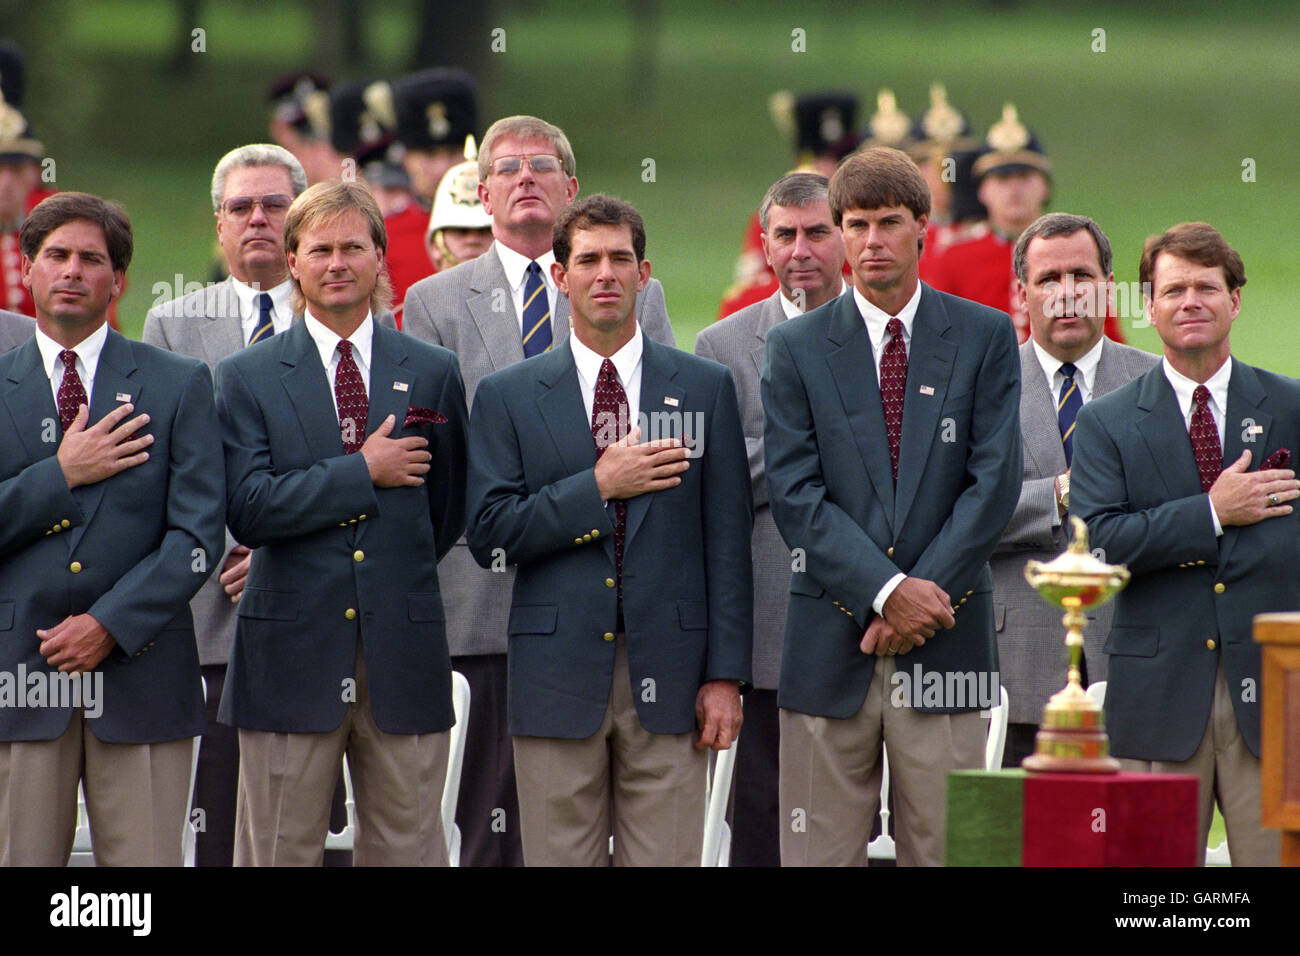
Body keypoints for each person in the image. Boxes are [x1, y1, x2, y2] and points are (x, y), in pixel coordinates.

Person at [401, 114, 675, 867]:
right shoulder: (433, 302)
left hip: (608, 597)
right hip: (481, 597)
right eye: (509, 167)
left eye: (542, 165)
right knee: (488, 817)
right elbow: (441, 456)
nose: (526, 177)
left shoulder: (634, 292)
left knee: (595, 827)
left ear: (571, 188)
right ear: (483, 192)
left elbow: (659, 442)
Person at [466, 194, 751, 865]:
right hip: (555, 677)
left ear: (644, 273)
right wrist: (595, 487)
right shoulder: (508, 395)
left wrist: (725, 677)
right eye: (587, 259)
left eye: (620, 259)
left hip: (676, 682)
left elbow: (728, 542)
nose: (605, 274)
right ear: (559, 276)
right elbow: (490, 533)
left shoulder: (706, 388)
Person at [762, 146, 1021, 866]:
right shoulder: (793, 349)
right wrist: (884, 593)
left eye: (888, 222)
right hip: (828, 646)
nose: (871, 241)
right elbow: (796, 495)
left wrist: (919, 599)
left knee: (953, 854)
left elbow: (993, 482)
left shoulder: (985, 335)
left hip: (950, 643)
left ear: (923, 229)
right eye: (855, 224)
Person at [214, 180, 468, 866]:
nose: (336, 262)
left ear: (381, 258)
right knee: (277, 851)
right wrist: (363, 473)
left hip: (403, 654)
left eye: (353, 247)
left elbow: (445, 510)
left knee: (410, 849)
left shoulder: (435, 371)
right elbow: (249, 508)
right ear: (292, 261)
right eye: (319, 249)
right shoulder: (247, 377)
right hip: (288, 656)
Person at [0, 192, 225, 865]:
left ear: (118, 280)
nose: (71, 270)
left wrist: (108, 626)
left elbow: (196, 539)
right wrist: (60, 473)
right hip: (17, 679)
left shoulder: (180, 384)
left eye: (90, 259)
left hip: (143, 679)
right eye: (55, 256)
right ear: (30, 270)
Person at [1071, 222, 1298, 866]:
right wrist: (1211, 512)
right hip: (1158, 696)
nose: (1190, 301)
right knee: (1156, 892)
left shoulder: (1292, 407)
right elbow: (1099, 546)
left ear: (1236, 300)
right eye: (1173, 290)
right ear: (1149, 307)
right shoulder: (1106, 422)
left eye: (1206, 286)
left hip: (1275, 697)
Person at [142, 143, 309, 866]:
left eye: (275, 205)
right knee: (215, 818)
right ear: (219, 225)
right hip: (211, 612)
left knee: (310, 824)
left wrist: (276, 549)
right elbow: (162, 474)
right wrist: (228, 552)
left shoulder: (346, 315)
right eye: (241, 207)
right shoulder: (174, 326)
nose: (259, 220)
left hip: (316, 607)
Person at [694, 171, 845, 866]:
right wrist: (814, 447)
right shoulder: (722, 349)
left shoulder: (882, 338)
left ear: (843, 236)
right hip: (768, 633)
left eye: (817, 231)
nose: (801, 249)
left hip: (876, 622)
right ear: (765, 244)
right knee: (761, 828)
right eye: (785, 235)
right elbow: (712, 482)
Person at [989, 213, 1157, 768]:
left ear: (1108, 286)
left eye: (1081, 277)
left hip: (1137, 660)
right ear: (1022, 294)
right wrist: (1063, 492)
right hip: (1017, 670)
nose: (1067, 295)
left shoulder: (1158, 383)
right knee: (1017, 847)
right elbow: (958, 511)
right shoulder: (981, 390)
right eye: (1048, 280)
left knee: (1130, 849)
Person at [717, 91, 859, 320]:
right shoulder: (775, 215)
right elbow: (751, 281)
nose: (829, 169)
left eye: (838, 162)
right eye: (820, 161)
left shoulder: (863, 216)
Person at [392, 68, 478, 210]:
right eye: (429, 154)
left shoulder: (497, 225)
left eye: (453, 152)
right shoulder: (387, 230)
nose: (442, 169)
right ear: (406, 158)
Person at [424, 137, 493, 273]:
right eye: (460, 232)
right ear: (436, 245)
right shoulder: (419, 295)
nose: (472, 240)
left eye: (486, 231)